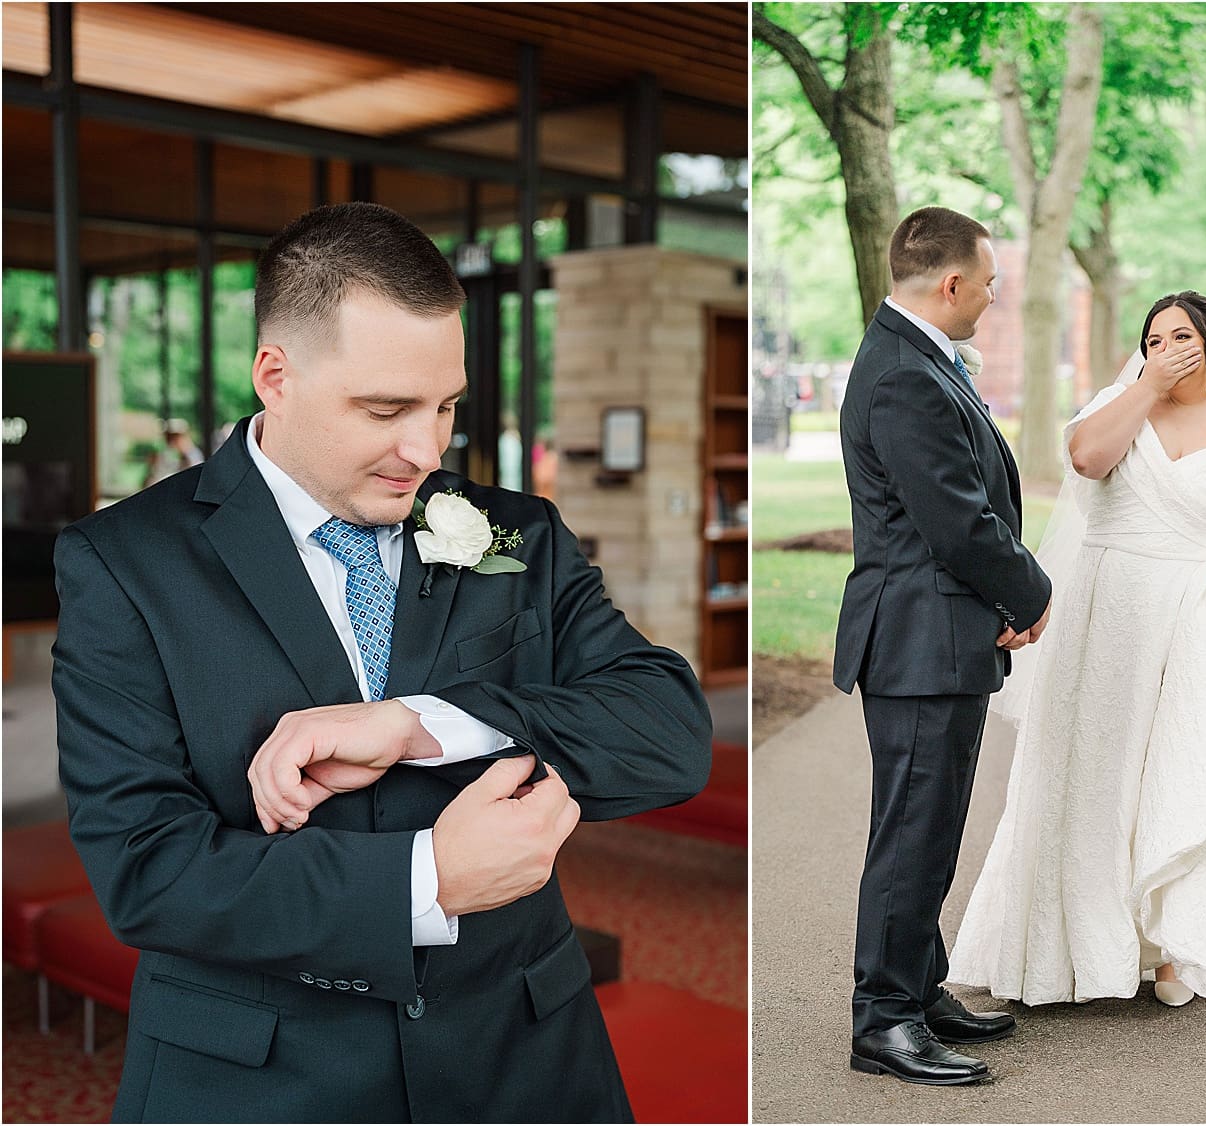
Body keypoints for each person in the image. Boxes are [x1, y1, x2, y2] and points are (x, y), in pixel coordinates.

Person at [52, 202, 712, 1122]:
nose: (427, 450)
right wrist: (427, 880)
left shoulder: (514, 534)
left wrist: (423, 723)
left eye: (445, 407)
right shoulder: (124, 563)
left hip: (526, 1063)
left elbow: (671, 733)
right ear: (274, 376)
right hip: (259, 1085)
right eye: (386, 408)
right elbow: (149, 871)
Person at [949, 291, 1206, 1009]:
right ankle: (1072, 946)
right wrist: (1145, 388)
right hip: (1107, 611)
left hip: (1195, 614)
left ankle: (1172, 945)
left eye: (1184, 337)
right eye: (1155, 339)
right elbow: (1088, 459)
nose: (1168, 349)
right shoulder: (1117, 405)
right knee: (1093, 768)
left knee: (1182, 768)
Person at [833, 206, 1053, 1086]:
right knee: (914, 835)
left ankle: (918, 989)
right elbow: (955, 519)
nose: (992, 301)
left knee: (929, 825)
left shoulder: (918, 358)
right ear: (951, 282)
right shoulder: (902, 373)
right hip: (919, 640)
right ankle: (882, 1021)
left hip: (937, 636)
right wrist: (1032, 589)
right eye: (989, 285)